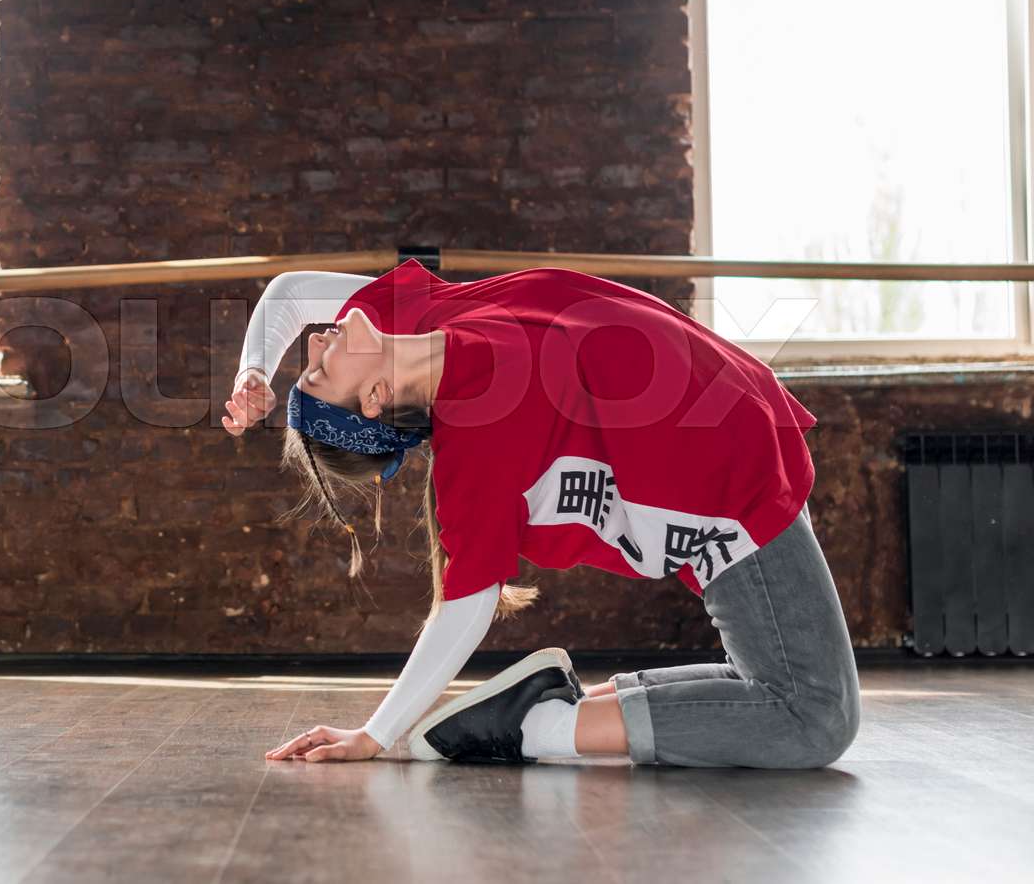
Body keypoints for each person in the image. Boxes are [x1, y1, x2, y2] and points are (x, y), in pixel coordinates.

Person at [222, 260, 860, 768]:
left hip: (743, 438)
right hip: (732, 496)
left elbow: (292, 293)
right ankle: (536, 724)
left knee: (773, 689)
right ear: (375, 396)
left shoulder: (418, 313)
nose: (315, 342)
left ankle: (548, 706)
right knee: (815, 718)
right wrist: (378, 733)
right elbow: (466, 605)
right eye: (318, 371)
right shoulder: (473, 446)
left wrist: (254, 371)